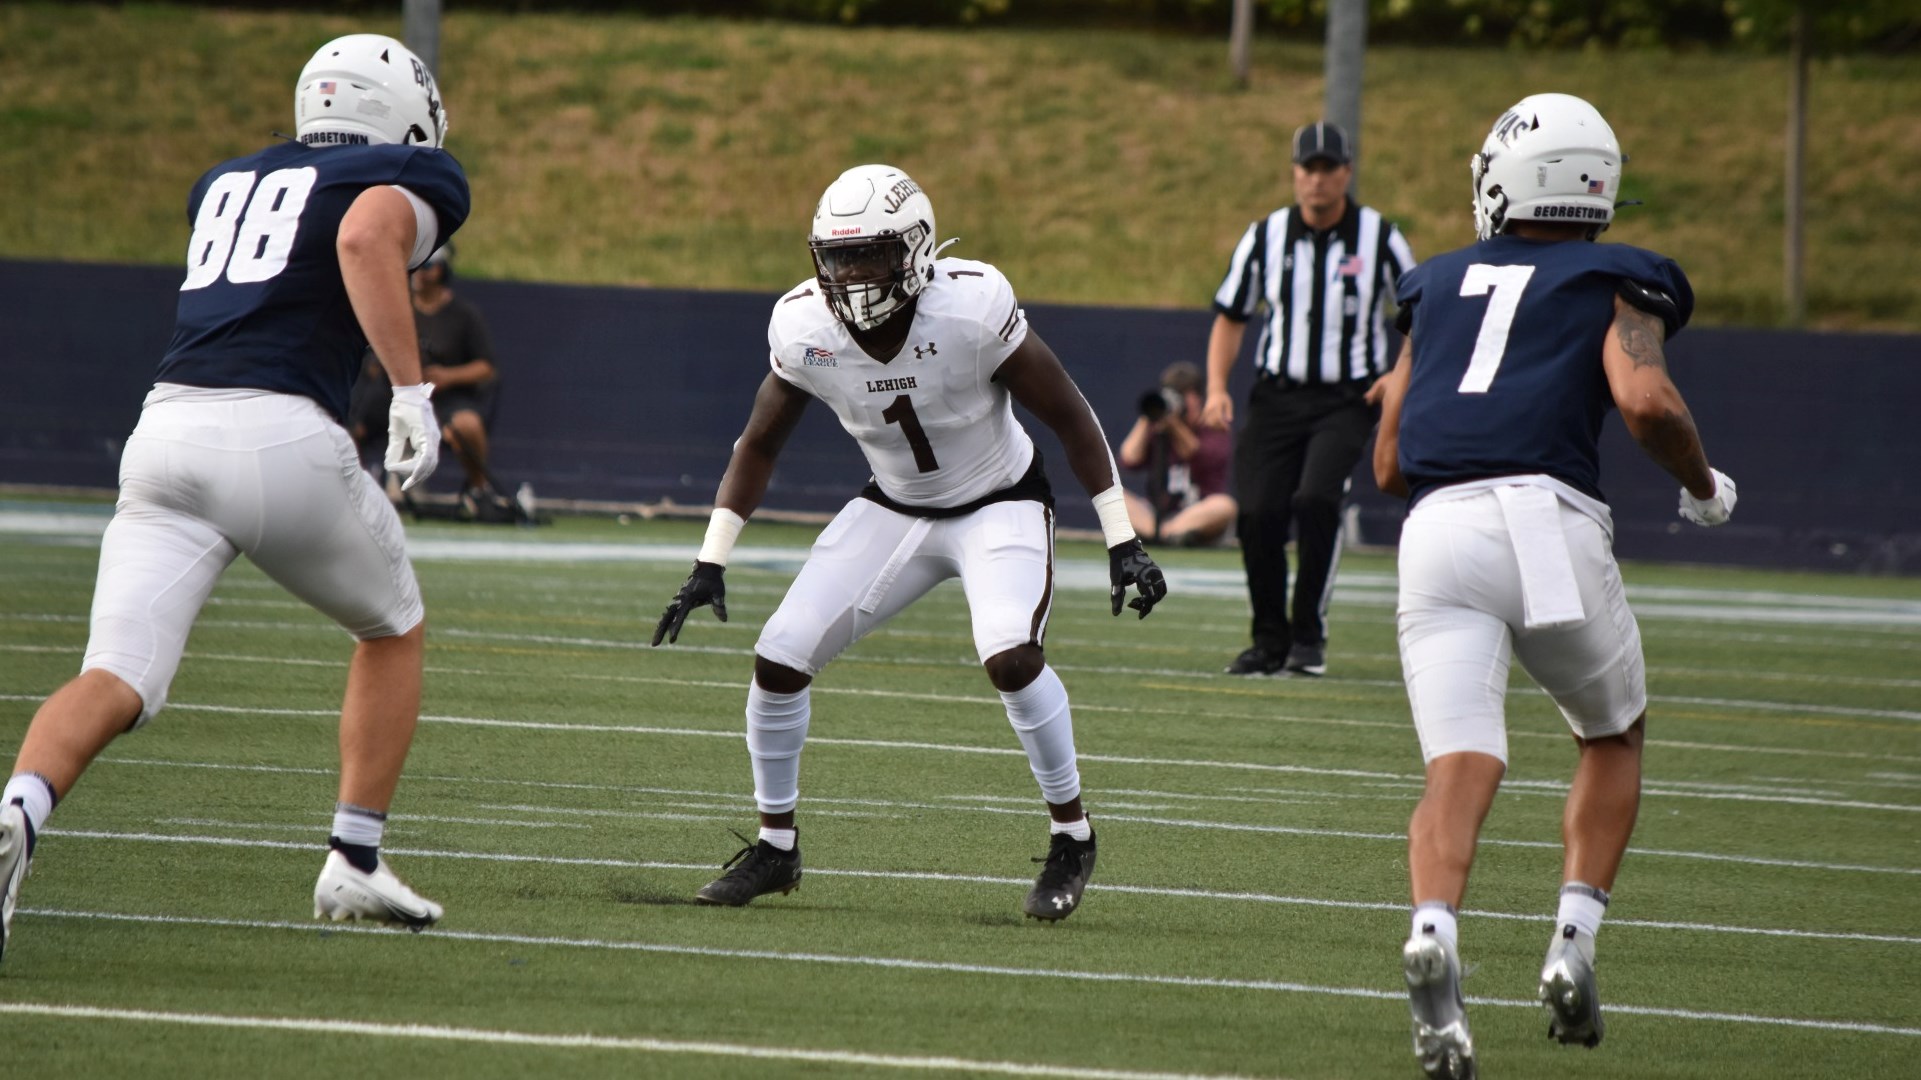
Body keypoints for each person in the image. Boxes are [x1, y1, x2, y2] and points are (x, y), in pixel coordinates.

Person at [0, 33, 469, 963]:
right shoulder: (417, 171)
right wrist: (412, 391)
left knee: (118, 671)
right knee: (394, 625)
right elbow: (365, 234)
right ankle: (354, 855)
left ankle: (19, 806)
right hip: (278, 431)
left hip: (165, 431)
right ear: (401, 110)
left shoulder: (224, 181)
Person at [651, 164, 1167, 922]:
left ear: (917, 249)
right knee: (779, 653)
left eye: (869, 254)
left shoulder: (970, 307)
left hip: (1001, 502)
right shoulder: (803, 328)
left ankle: (1071, 835)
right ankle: (775, 845)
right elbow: (757, 444)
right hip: (895, 507)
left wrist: (1121, 538)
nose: (852, 274)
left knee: (1009, 655)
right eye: (837, 256)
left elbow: (1070, 415)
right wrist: (709, 560)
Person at [1371, 93, 1737, 1080]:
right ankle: (1569, 946)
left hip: (1436, 528)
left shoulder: (1435, 284)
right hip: (1544, 520)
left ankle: (1434, 931)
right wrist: (1702, 488)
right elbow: (1645, 399)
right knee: (1610, 733)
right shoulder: (1620, 277)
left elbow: (1387, 463)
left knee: (1461, 760)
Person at [1203, 121, 1416, 678]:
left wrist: (1398, 375)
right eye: (1307, 168)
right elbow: (1232, 314)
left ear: (1346, 172)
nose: (1317, 180)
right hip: (1276, 397)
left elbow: (1424, 314)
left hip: (1347, 398)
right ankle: (1268, 641)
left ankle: (1307, 637)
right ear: (1294, 174)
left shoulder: (1380, 237)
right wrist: (1217, 388)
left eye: (1328, 168)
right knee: (1256, 513)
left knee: (1317, 500)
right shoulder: (1266, 235)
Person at [352, 243, 520, 521]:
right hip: (397, 395)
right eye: (415, 267)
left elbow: (486, 368)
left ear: (442, 270)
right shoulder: (398, 308)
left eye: (427, 267)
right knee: (346, 427)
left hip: (445, 399)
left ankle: (478, 492)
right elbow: (374, 360)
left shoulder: (464, 315)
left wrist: (446, 376)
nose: (420, 274)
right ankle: (354, 492)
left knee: (466, 426)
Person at [1118, 361, 1236, 547]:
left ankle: (1164, 534)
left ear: (1198, 398)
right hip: (1156, 514)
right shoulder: (1158, 426)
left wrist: (1175, 426)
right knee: (1114, 496)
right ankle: (1158, 533)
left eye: (1184, 397)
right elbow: (1128, 459)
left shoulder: (1212, 426)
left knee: (1225, 505)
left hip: (1197, 514)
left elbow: (1199, 457)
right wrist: (1147, 418)